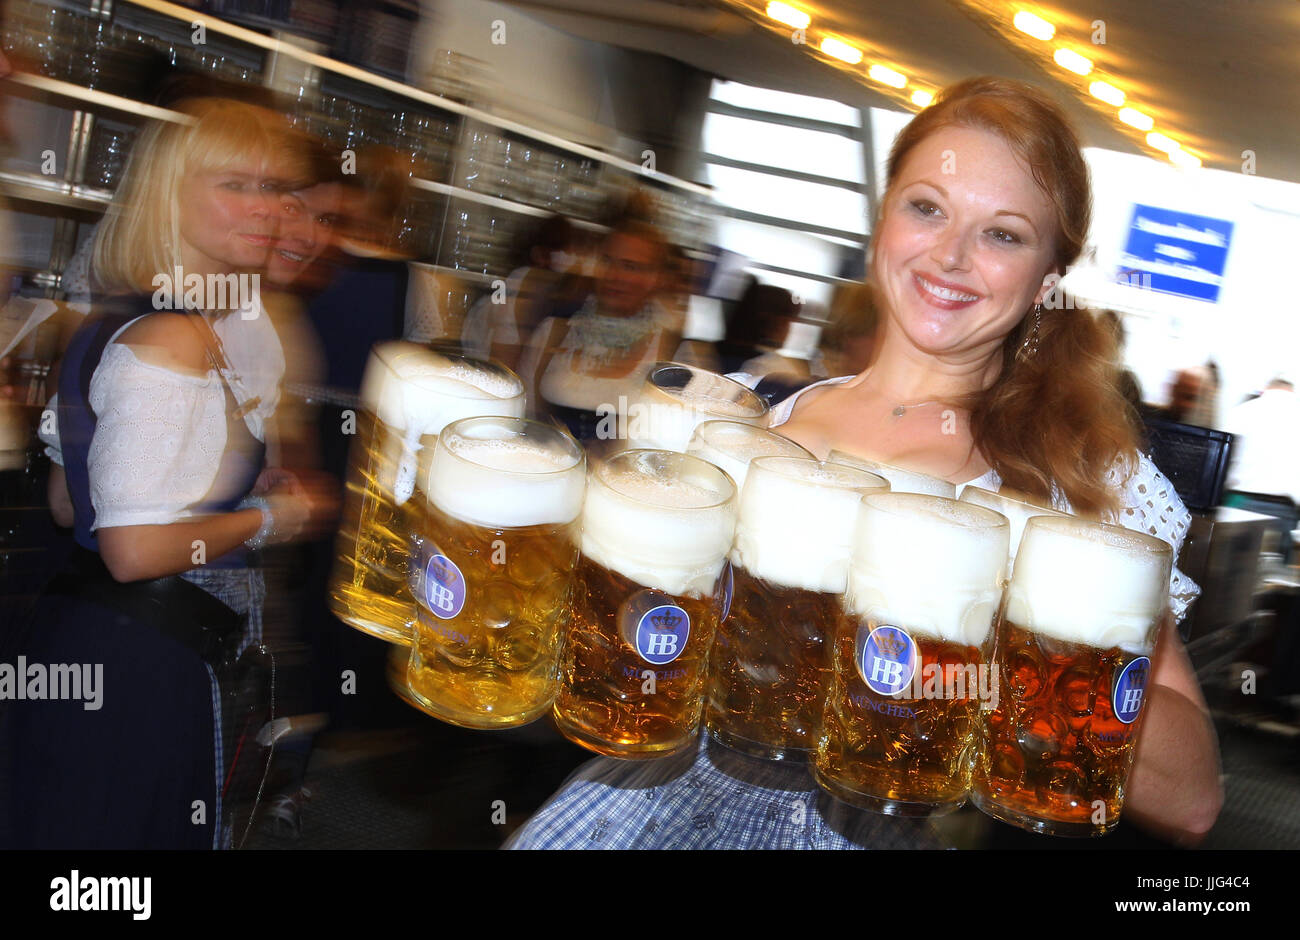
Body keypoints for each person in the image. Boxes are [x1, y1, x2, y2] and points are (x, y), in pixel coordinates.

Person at [506, 76, 1221, 850]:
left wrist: (1023, 661)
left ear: (1047, 280)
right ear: (884, 220)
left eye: (1003, 234)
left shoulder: (1071, 489)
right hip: (635, 805)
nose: (950, 256)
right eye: (927, 208)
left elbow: (1193, 802)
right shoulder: (738, 415)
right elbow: (607, 632)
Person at [4, 98, 333, 848]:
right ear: (167, 194)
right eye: (236, 186)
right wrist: (273, 516)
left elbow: (66, 504)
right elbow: (131, 548)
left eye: (276, 188)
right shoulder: (175, 338)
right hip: (140, 667)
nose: (271, 210)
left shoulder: (126, 315)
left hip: (99, 645)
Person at [518, 215, 679, 444]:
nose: (614, 276)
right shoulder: (553, 332)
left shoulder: (675, 355)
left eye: (630, 267)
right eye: (607, 261)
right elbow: (521, 417)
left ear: (655, 278)